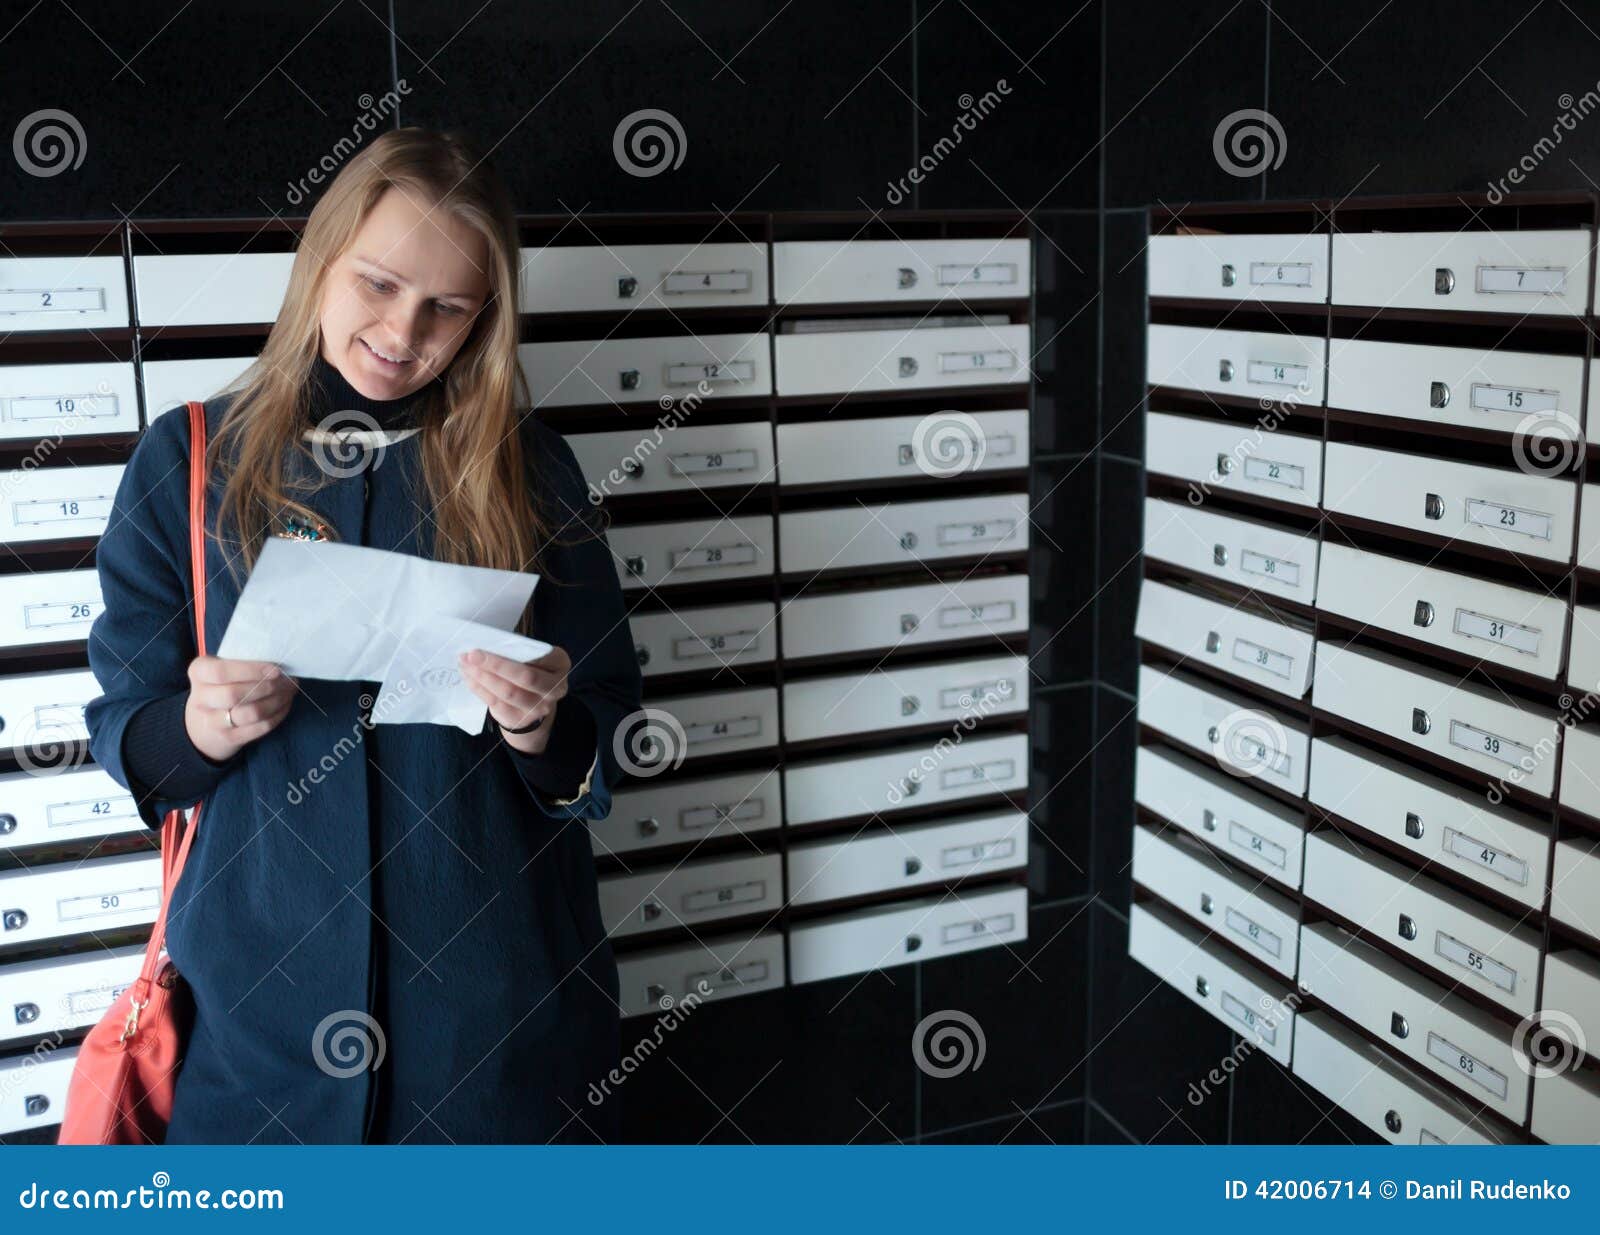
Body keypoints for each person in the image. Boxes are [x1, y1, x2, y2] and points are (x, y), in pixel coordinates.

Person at [81, 127, 643, 1144]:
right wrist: (201, 729)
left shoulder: (536, 471)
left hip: (497, 1045)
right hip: (257, 1047)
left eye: (447, 307)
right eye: (378, 283)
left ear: (485, 317)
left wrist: (542, 727)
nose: (402, 328)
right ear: (320, 261)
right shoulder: (187, 462)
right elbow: (131, 737)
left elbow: (606, 739)